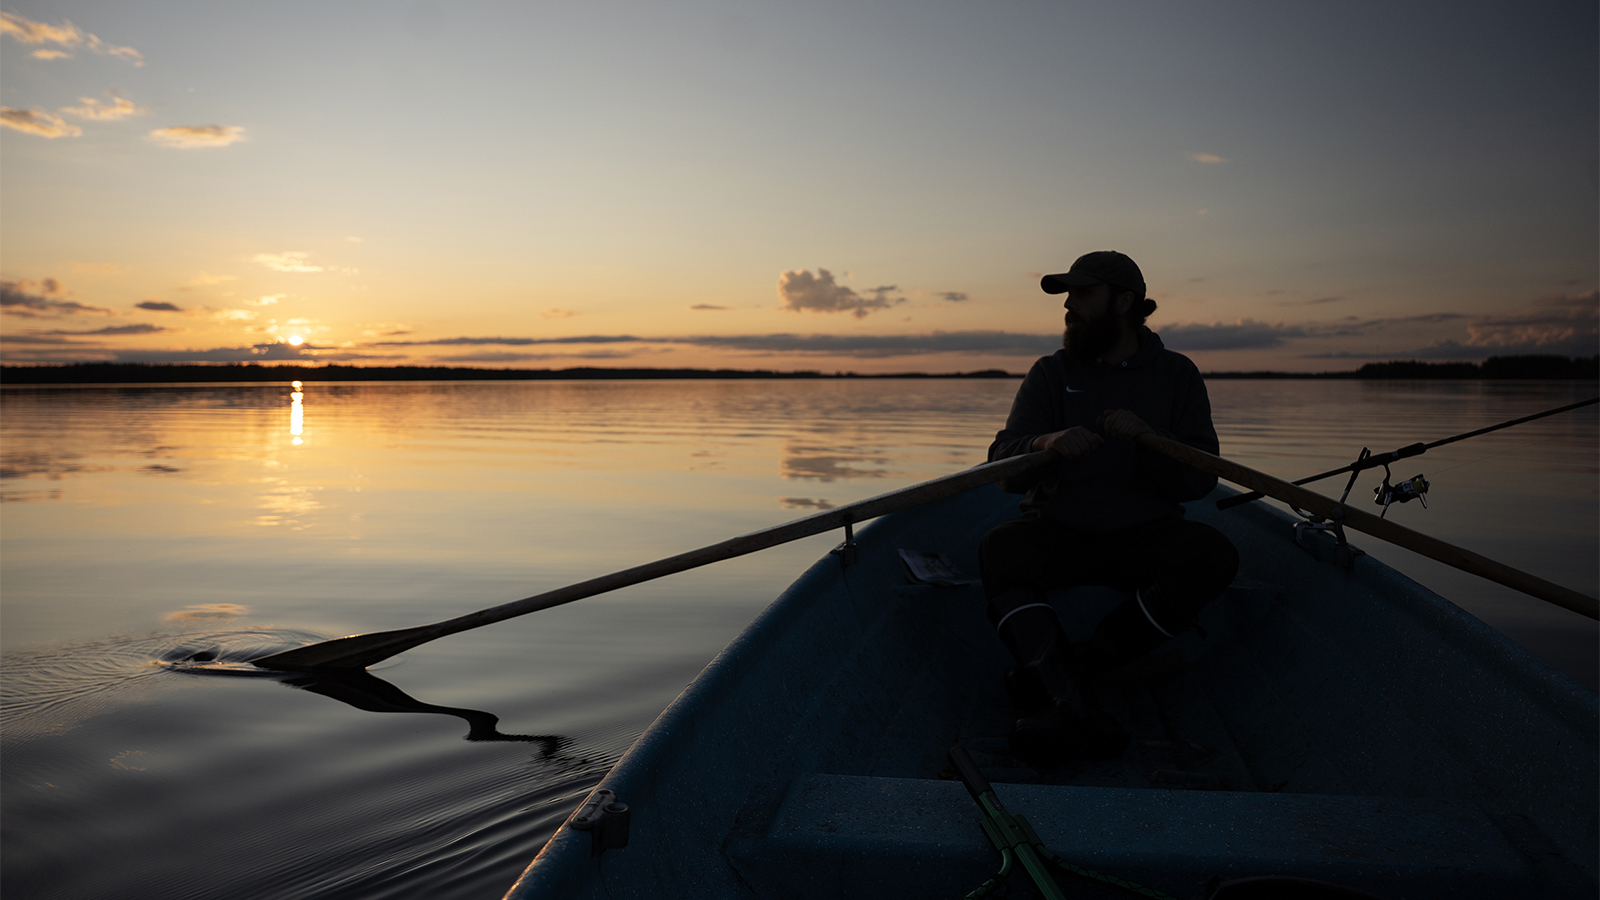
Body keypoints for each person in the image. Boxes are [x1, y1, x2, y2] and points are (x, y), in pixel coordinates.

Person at [980, 250, 1238, 766]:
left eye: (1081, 294)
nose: (1069, 308)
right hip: (1060, 530)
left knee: (1212, 554)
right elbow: (1001, 467)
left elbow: (1199, 480)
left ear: (1125, 302)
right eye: (1066, 296)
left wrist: (1151, 439)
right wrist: (1043, 443)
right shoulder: (1051, 373)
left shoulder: (1177, 375)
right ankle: (1073, 699)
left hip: (1145, 534)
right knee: (1000, 547)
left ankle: (1072, 675)